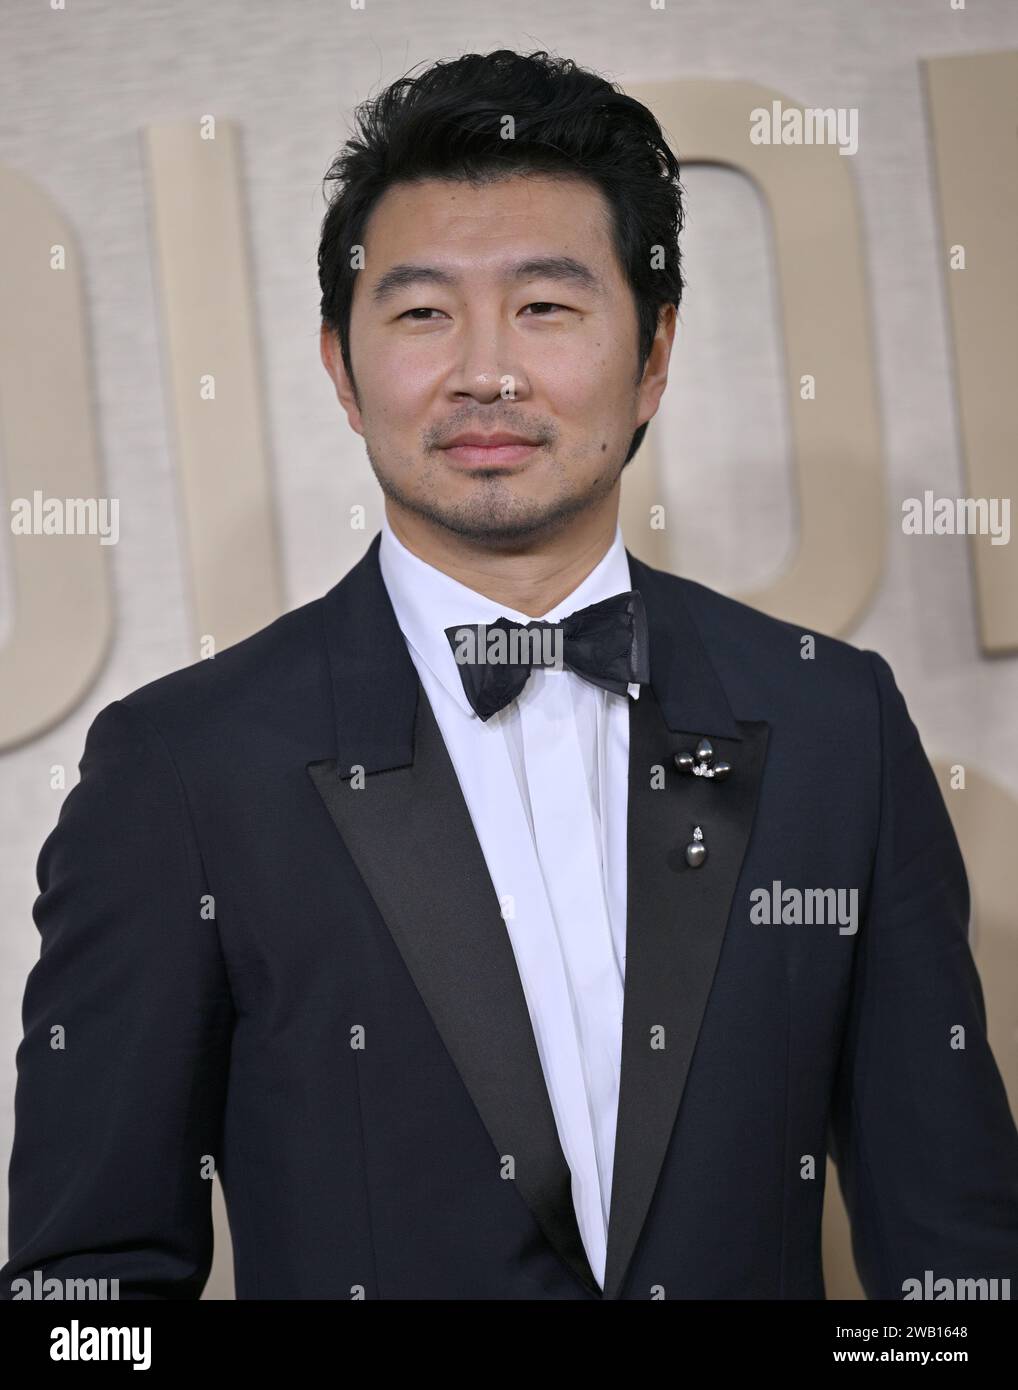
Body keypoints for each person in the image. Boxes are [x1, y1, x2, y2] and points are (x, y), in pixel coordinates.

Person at [3, 48, 1017, 1301]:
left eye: (546, 306)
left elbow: (959, 1264)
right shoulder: (183, 765)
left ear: (652, 356)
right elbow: (79, 1301)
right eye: (422, 311)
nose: (485, 370)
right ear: (340, 364)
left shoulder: (831, 720)